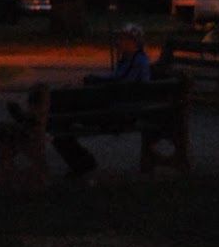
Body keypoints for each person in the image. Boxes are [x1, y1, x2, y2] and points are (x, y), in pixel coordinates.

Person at [51, 24, 152, 180]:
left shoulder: (137, 61)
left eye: (122, 39)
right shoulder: (130, 60)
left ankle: (37, 118)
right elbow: (118, 81)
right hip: (116, 106)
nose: (118, 42)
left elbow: (122, 84)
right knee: (61, 115)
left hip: (118, 111)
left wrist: (93, 81)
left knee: (61, 113)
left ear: (133, 41)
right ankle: (43, 119)